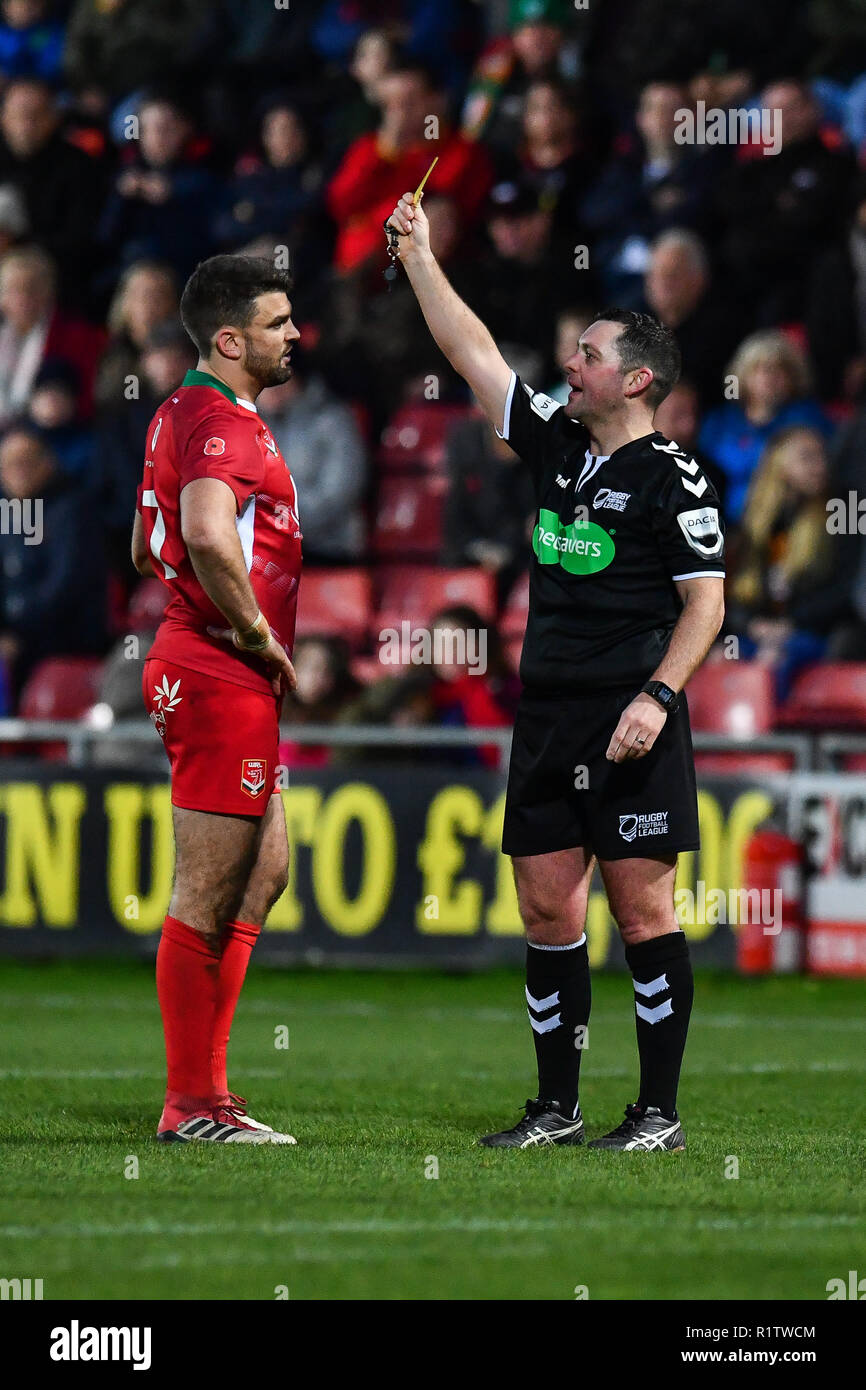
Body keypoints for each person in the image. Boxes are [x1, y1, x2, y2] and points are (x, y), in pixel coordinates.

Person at [386, 189, 726, 1151]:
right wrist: (417, 253)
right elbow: (472, 352)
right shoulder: (555, 443)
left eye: (590, 355)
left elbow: (708, 603)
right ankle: (555, 1109)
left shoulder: (679, 478)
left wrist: (659, 698)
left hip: (631, 718)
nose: (570, 366)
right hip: (547, 716)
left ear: (641, 380)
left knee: (644, 907)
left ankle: (657, 1112)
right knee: (546, 911)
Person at [131, 253, 302, 1144]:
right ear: (230, 338)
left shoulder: (181, 412)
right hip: (217, 671)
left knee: (264, 870)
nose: (294, 333)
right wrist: (255, 633)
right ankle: (190, 1106)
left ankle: (211, 1093)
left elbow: (143, 544)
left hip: (204, 666)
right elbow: (202, 532)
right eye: (277, 322)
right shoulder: (223, 423)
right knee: (207, 889)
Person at [698, 330, 831, 523]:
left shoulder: (808, 419)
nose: (771, 377)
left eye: (781, 369)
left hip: (788, 523)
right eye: (761, 369)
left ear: (794, 378)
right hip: (719, 523)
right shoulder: (719, 422)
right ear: (743, 375)